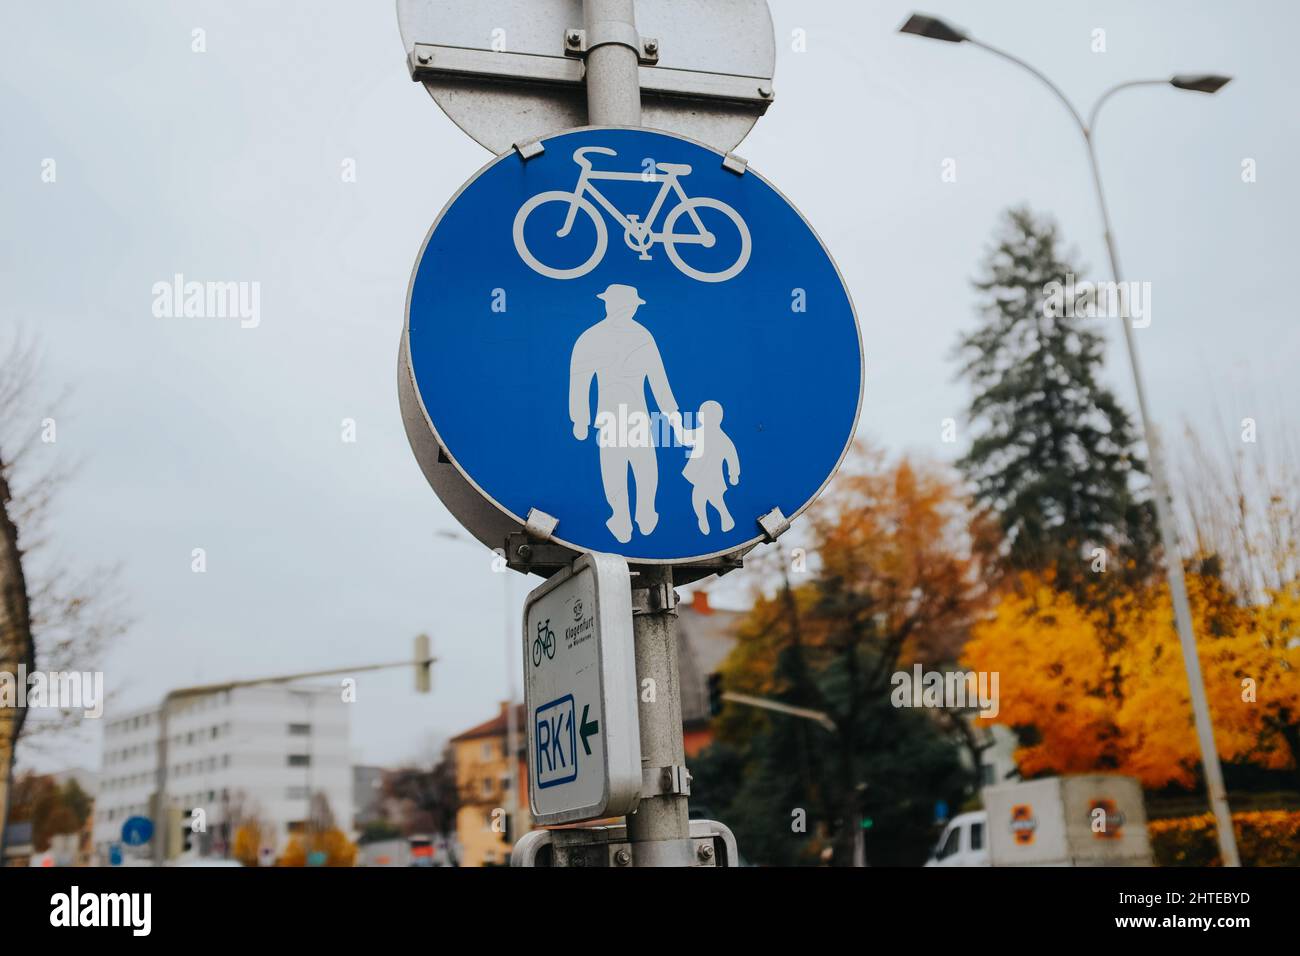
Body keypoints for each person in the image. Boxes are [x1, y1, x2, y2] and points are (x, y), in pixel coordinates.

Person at [569, 284, 682, 543]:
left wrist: (674, 420)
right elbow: (580, 382)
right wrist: (580, 420)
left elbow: (659, 383)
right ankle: (622, 515)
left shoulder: (639, 337)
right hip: (613, 417)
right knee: (618, 469)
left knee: (641, 467)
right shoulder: (593, 337)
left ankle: (643, 510)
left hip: (633, 416)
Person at [680, 400, 740, 534]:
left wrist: (733, 474)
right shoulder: (700, 433)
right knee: (705, 497)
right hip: (702, 474)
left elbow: (732, 456)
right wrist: (676, 425)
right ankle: (705, 518)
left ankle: (721, 517)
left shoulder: (722, 439)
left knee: (709, 497)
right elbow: (684, 438)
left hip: (713, 476)